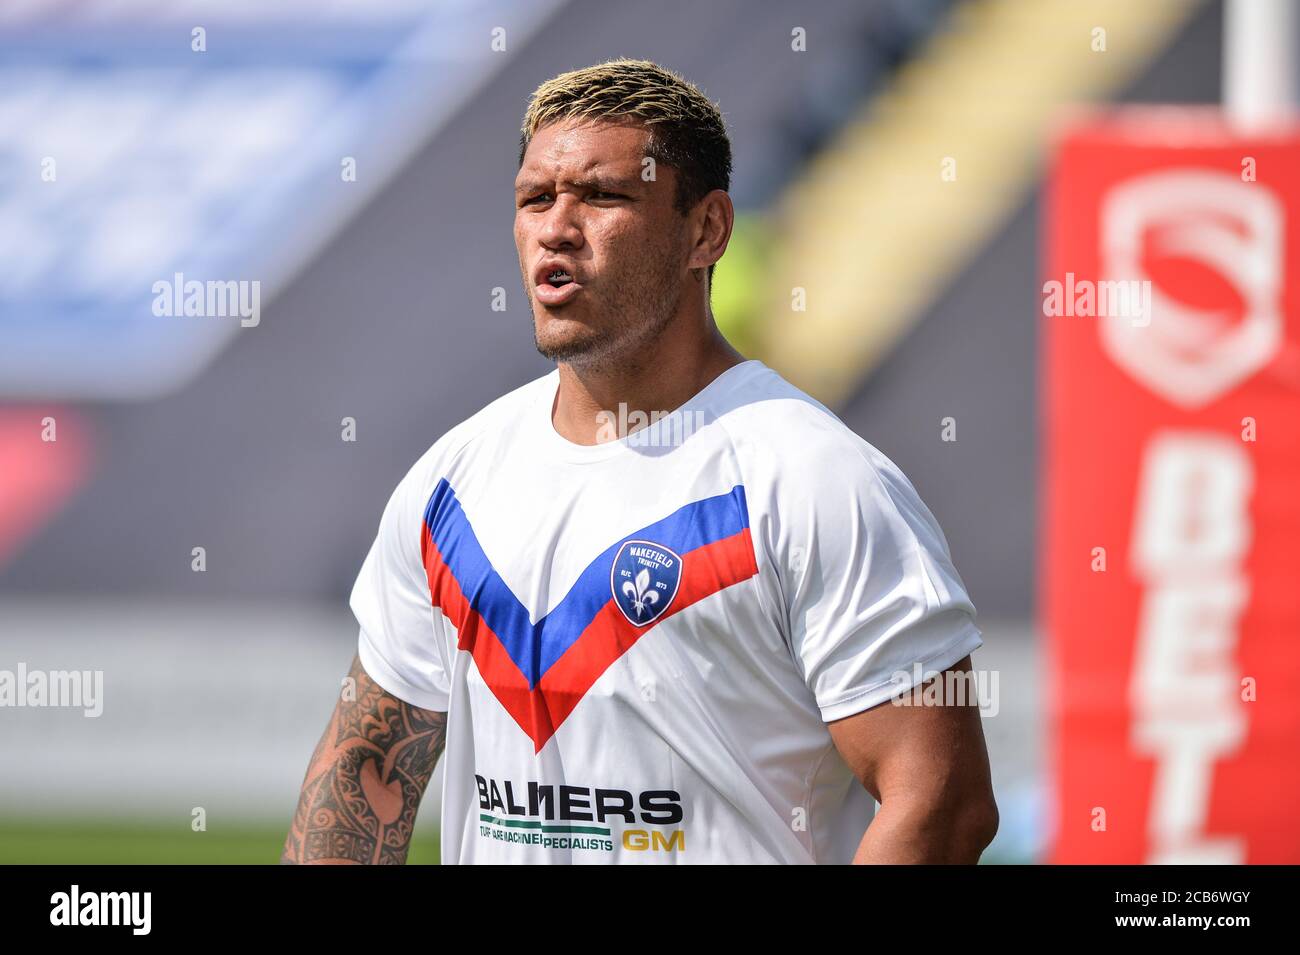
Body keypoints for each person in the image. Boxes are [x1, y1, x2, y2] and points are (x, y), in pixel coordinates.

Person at [282, 58, 997, 865]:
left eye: (603, 196)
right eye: (534, 199)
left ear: (707, 230)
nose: (557, 226)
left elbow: (942, 803)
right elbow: (364, 772)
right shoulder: (453, 484)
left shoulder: (817, 480)